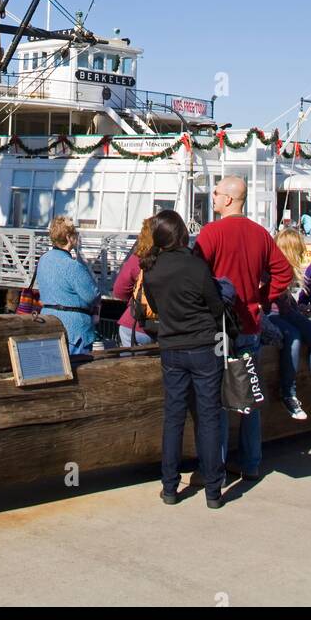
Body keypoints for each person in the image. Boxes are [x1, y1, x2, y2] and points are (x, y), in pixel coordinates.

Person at [194, 175, 294, 480]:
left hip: (219, 326)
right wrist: (262, 298)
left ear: (228, 199)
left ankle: (215, 468)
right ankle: (251, 462)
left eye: (215, 192)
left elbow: (196, 276)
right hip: (250, 323)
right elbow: (284, 272)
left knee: (216, 398)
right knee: (248, 394)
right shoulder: (260, 234)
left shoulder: (211, 233)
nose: (211, 196)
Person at [142, 211, 228, 508]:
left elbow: (154, 307)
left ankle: (169, 487)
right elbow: (216, 306)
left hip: (171, 346)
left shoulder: (151, 269)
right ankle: (213, 491)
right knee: (208, 417)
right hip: (203, 345)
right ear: (181, 235)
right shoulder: (195, 266)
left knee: (174, 417)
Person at [268, 227, 311, 424]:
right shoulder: (271, 267)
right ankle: (288, 392)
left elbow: (287, 299)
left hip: (288, 311)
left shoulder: (288, 269)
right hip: (272, 313)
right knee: (294, 338)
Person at [34, 216, 99, 353]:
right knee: (77, 370)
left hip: (47, 320)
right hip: (73, 328)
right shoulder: (72, 266)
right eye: (75, 234)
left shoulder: (43, 260)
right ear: (69, 237)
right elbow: (92, 296)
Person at [112, 216, 157, 347]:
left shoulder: (137, 258)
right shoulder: (171, 259)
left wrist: (135, 297)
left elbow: (119, 291)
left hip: (135, 325)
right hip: (167, 327)